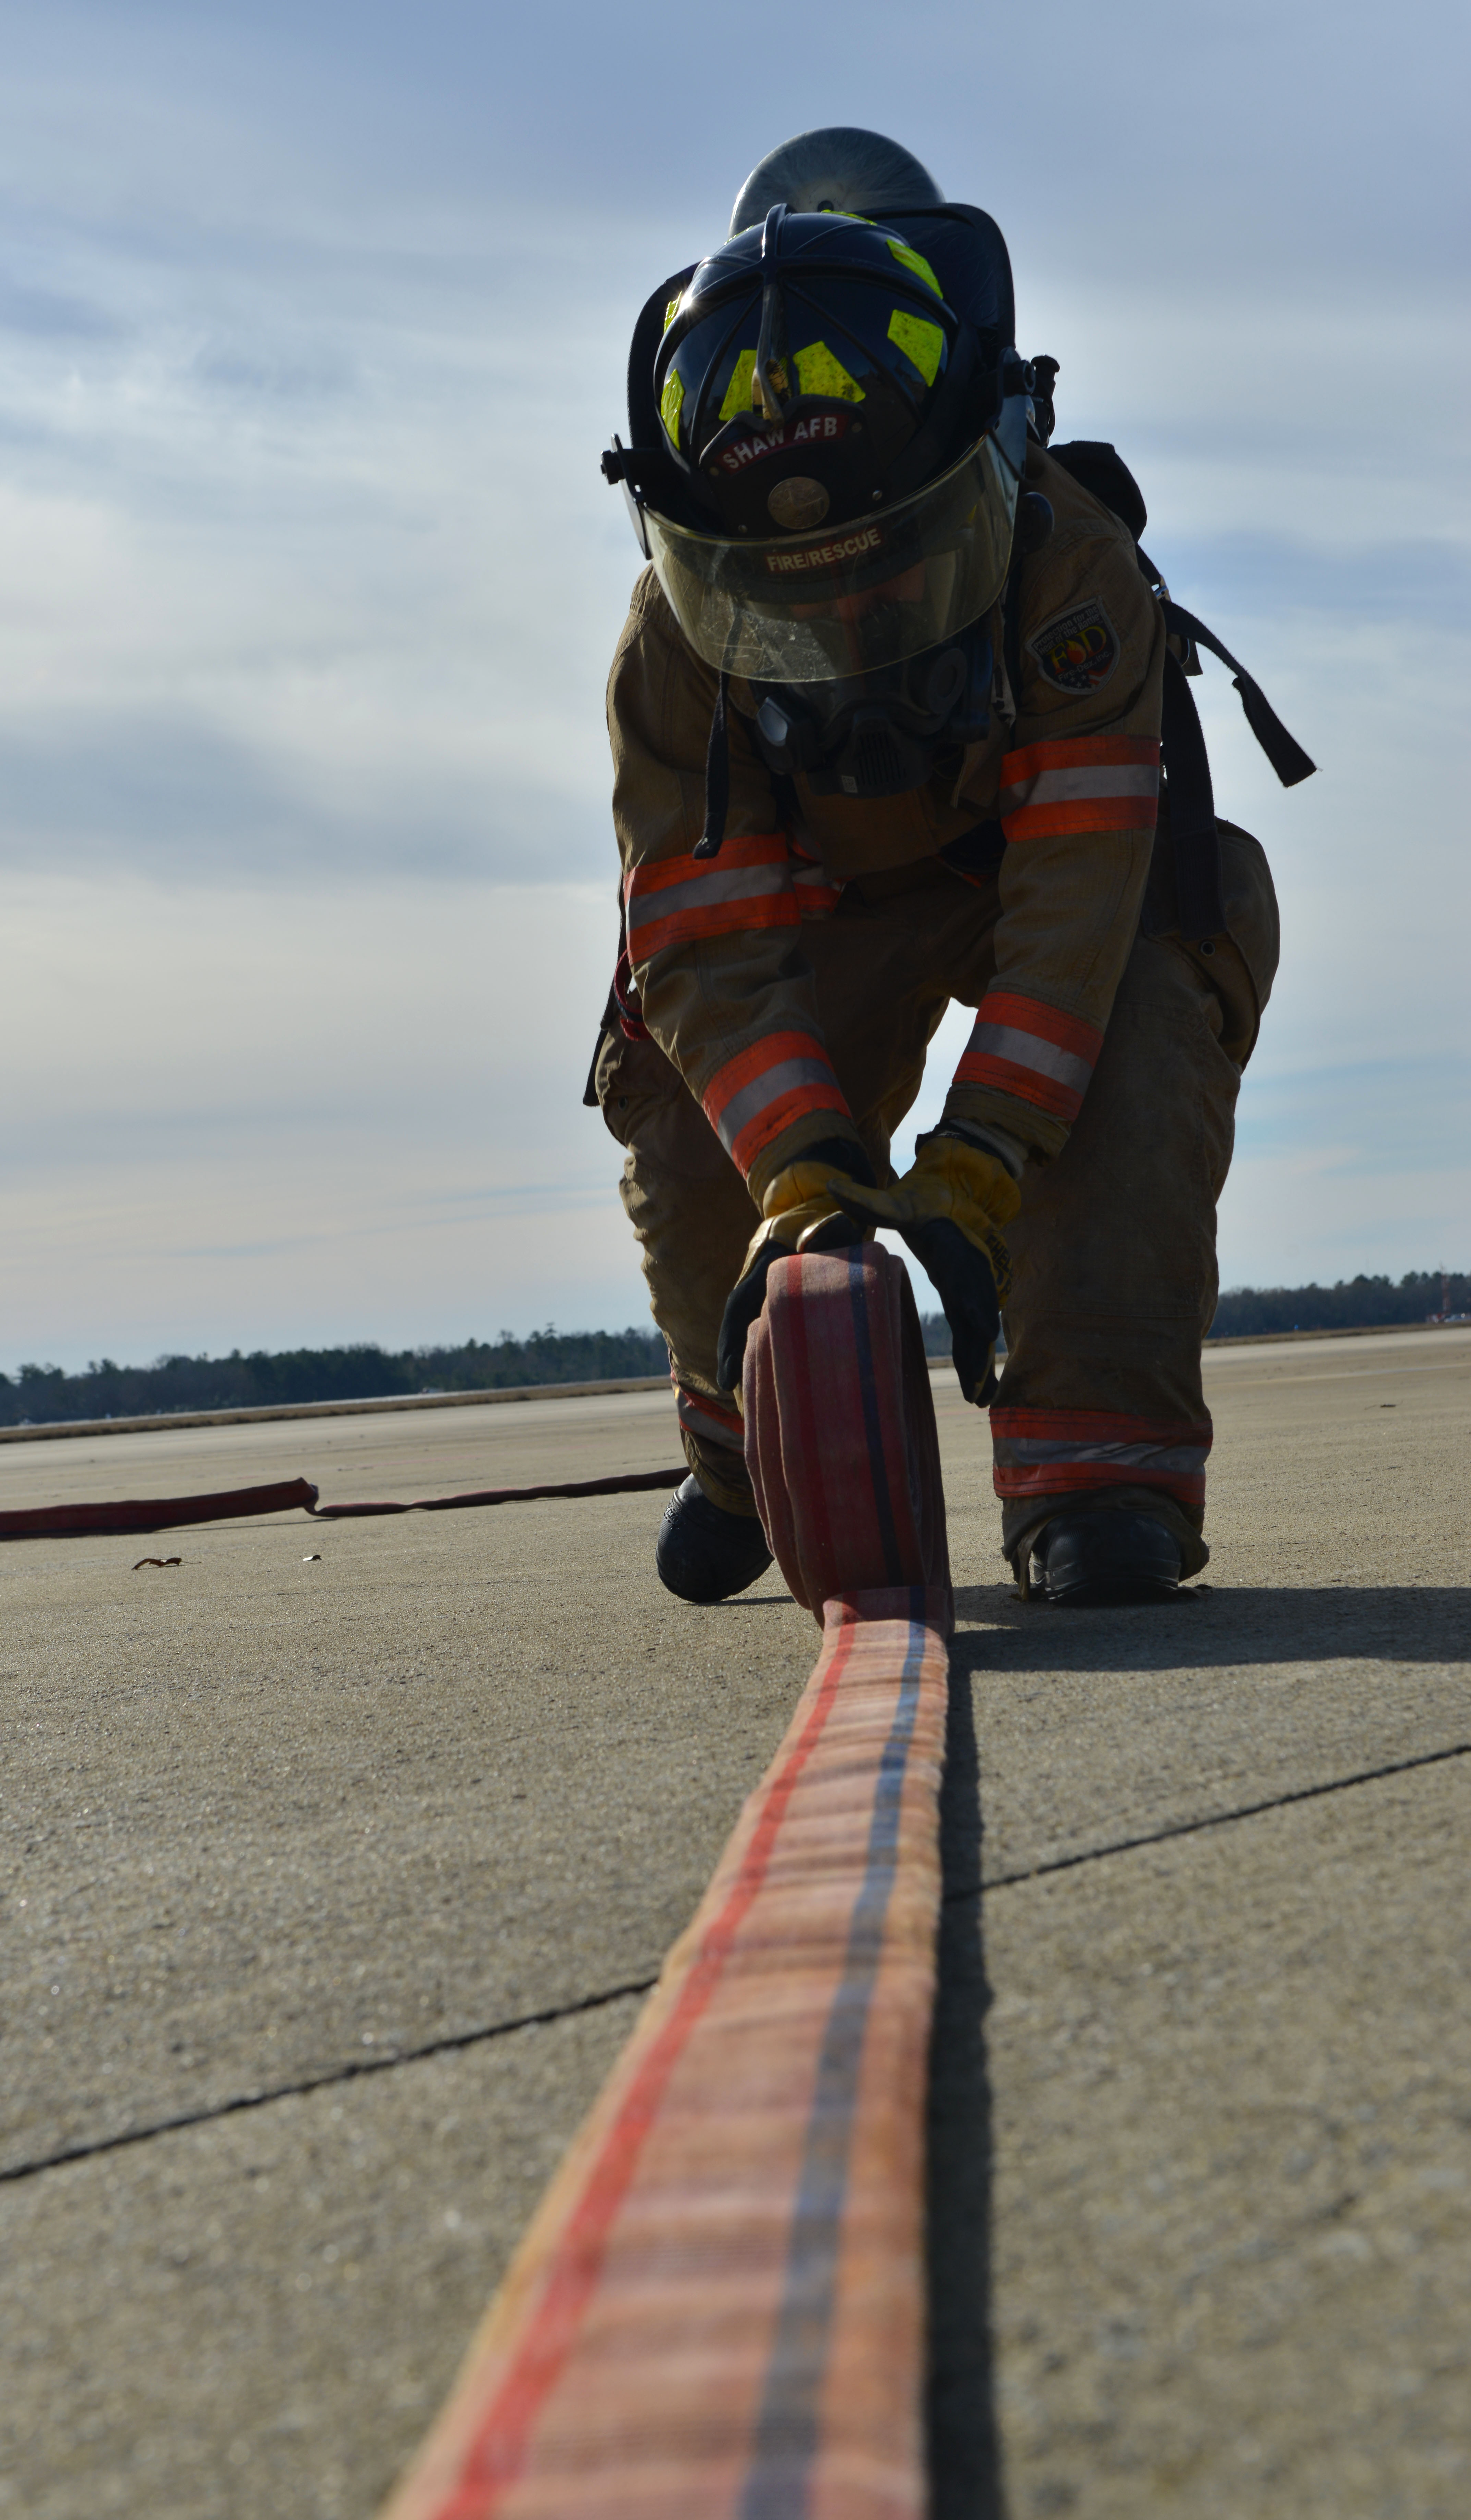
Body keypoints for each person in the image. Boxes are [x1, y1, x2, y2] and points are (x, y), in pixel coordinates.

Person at [591, 127, 1302, 1607]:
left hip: (1032, 876)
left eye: (889, 568)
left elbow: (1079, 906)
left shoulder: (1069, 569)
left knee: (1169, 954)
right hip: (823, 910)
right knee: (669, 1082)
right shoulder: (667, 657)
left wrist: (977, 1169)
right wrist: (805, 1182)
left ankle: (1095, 1480)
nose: (849, 626)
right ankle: (741, 1447)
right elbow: (703, 951)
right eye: (791, 607)